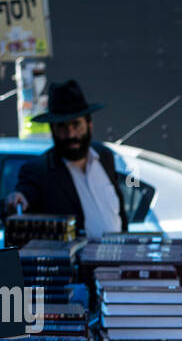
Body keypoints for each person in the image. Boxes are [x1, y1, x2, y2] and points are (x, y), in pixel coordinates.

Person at [5, 79, 127, 236]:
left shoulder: (104, 156)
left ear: (89, 125)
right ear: (53, 130)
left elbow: (119, 213)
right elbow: (24, 196)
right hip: (74, 259)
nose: (70, 135)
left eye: (76, 125)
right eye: (62, 127)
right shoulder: (39, 170)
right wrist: (18, 199)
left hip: (115, 256)